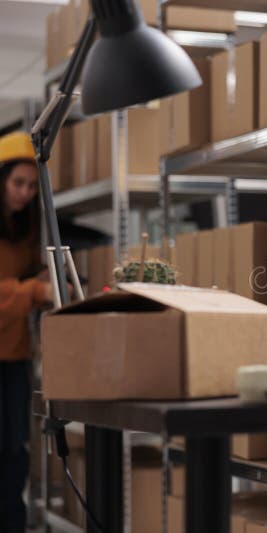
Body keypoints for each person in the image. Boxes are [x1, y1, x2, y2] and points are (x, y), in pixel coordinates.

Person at [0, 131, 53, 531]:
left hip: (14, 357)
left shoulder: (25, 228)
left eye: (32, 186)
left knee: (14, 453)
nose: (25, 193)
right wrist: (36, 289)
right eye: (18, 183)